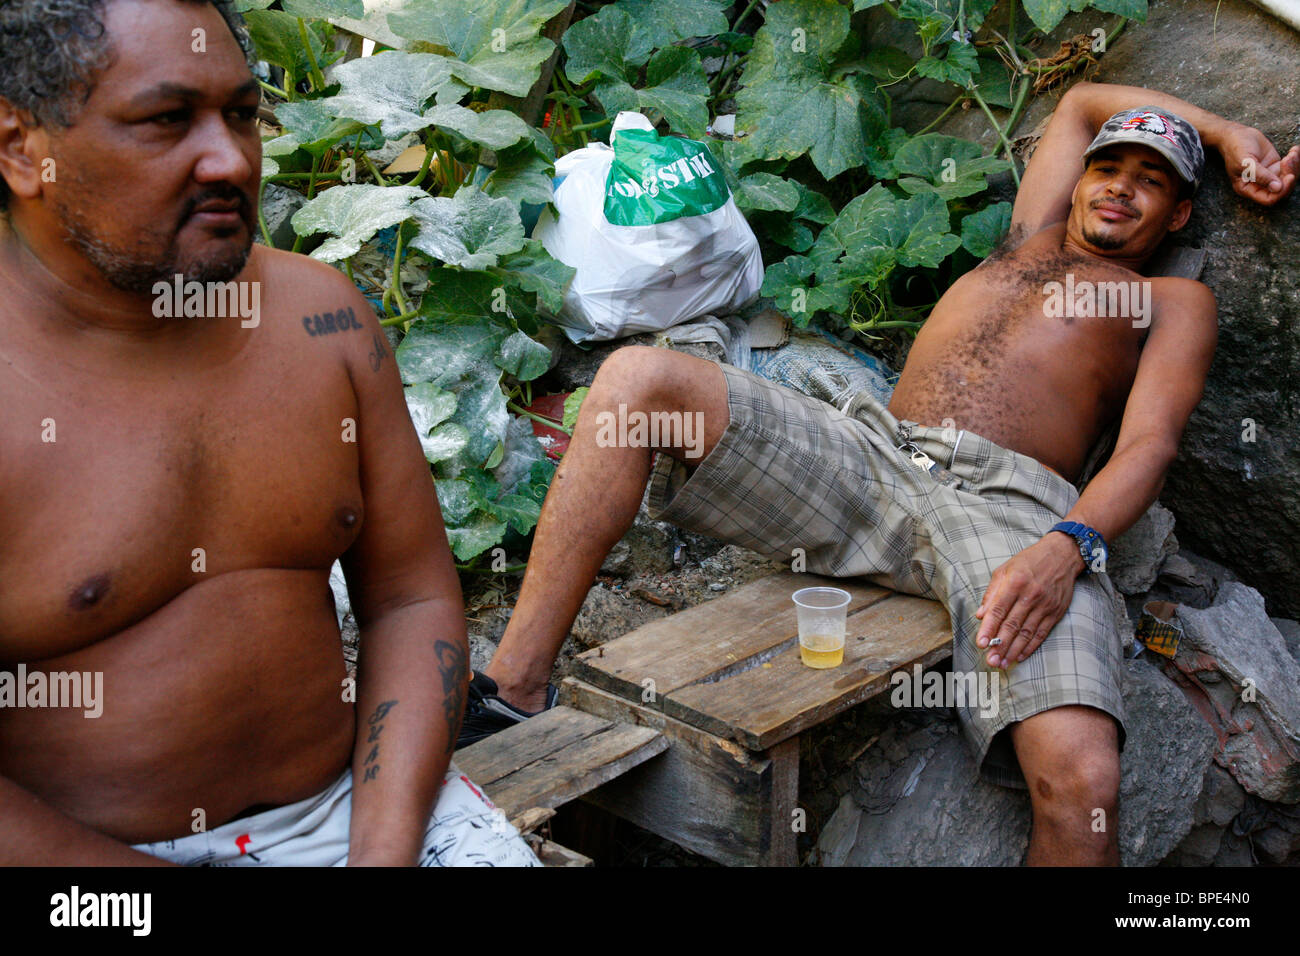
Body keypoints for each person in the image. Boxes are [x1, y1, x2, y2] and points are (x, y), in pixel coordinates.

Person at [463, 81, 1299, 865]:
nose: (1119, 187)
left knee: (1083, 783)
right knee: (637, 379)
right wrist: (1227, 133)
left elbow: (1148, 447)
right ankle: (513, 690)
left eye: (1151, 181)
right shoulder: (1028, 233)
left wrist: (1068, 546)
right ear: (1079, 181)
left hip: (1010, 514)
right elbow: (1082, 101)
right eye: (1109, 168)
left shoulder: (1170, 302)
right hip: (875, 453)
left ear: (1178, 213)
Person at [0, 0, 537, 866]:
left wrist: (382, 851)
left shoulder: (320, 320)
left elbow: (410, 601)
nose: (231, 159)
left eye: (242, 114)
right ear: (22, 149)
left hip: (356, 812)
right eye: (167, 119)